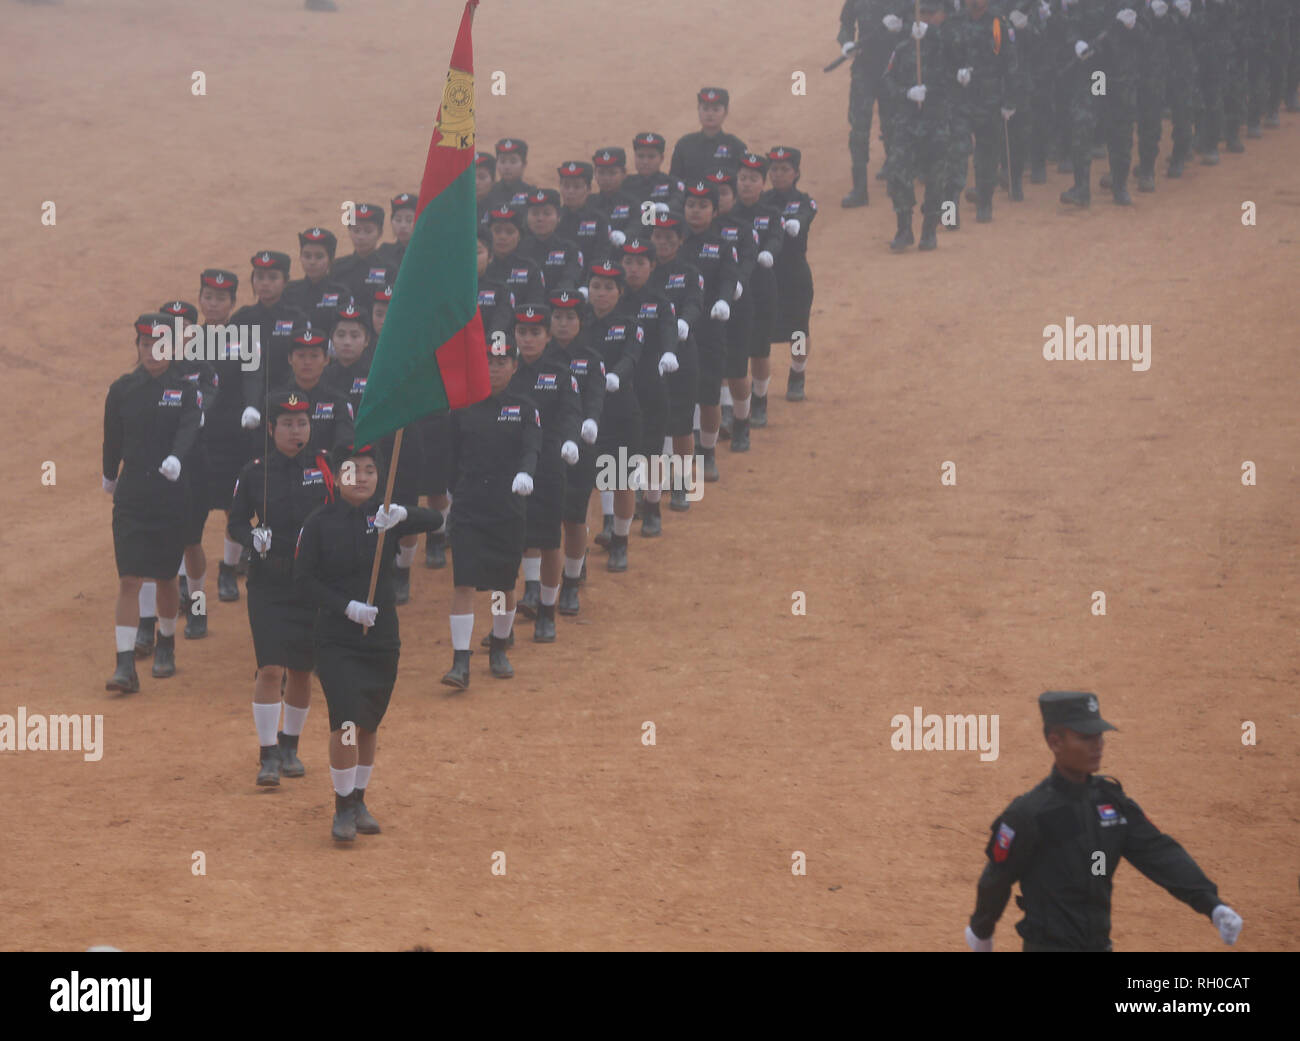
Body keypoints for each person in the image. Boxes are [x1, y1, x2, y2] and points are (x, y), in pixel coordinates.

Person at [966, 691, 1245, 951]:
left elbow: (1159, 854)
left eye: (1099, 735)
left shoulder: (1111, 803)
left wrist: (1212, 905)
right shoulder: (1028, 814)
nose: (1097, 745)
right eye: (1085, 737)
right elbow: (996, 879)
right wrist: (982, 931)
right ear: (1055, 742)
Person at [294, 442, 444, 841]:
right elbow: (303, 580)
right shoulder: (319, 522)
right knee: (345, 719)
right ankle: (342, 807)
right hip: (337, 638)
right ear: (337, 476)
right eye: (352, 470)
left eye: (368, 471)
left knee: (369, 723)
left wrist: (403, 514)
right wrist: (346, 607)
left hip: (381, 637)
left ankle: (359, 799)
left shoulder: (385, 516)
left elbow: (435, 520)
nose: (360, 478)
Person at [228, 390, 333, 786]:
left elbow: (341, 510)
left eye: (302, 423)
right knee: (271, 667)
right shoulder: (254, 471)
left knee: (303, 670)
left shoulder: (325, 467)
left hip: (311, 581)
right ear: (271, 429)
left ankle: (291, 745)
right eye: (288, 424)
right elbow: (236, 522)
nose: (296, 431)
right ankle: (268, 753)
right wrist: (254, 537)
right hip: (269, 581)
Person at [102, 313, 201, 693]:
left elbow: (191, 428)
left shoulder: (186, 390)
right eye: (145, 344)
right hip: (132, 495)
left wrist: (177, 456)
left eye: (160, 345)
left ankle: (166, 644)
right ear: (138, 346)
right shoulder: (123, 389)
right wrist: (110, 475)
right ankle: (125, 664)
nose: (152, 352)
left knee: (164, 577)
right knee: (129, 579)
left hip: (172, 494)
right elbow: (112, 437)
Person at [439, 338, 541, 688]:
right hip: (469, 507)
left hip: (508, 506)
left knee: (502, 585)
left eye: (502, 362)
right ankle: (460, 662)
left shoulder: (526, 408)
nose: (495, 368)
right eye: (489, 362)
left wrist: (525, 472)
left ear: (514, 367)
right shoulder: (462, 407)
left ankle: (499, 648)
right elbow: (450, 457)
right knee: (464, 582)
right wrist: (458, 490)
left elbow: (532, 446)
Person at [508, 304, 582, 641]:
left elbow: (570, 413)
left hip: (549, 467)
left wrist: (570, 441)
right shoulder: (504, 371)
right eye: (522, 332)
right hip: (507, 468)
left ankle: (547, 612)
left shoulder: (560, 373)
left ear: (547, 336)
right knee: (504, 549)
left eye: (535, 332)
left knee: (550, 542)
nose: (527, 338)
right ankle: (501, 624)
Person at [883, 2, 959, 247]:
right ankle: (904, 229)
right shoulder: (904, 48)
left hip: (936, 121)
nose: (924, 19)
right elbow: (887, 83)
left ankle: (930, 230)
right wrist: (907, 92)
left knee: (937, 177)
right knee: (898, 172)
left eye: (929, 14)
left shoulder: (947, 47)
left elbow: (957, 76)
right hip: (907, 122)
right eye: (921, 14)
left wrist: (932, 91)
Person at [548, 289, 605, 616]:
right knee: (544, 522)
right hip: (546, 448)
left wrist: (591, 423)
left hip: (581, 447)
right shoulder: (543, 357)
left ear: (581, 322)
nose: (564, 323)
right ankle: (538, 587)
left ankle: (570, 582)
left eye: (570, 317)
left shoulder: (591, 358)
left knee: (572, 519)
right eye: (557, 317)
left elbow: (596, 396)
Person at [196, 268, 251, 605]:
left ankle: (229, 569)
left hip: (234, 438)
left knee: (235, 507)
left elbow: (252, 384)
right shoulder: (189, 340)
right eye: (208, 297)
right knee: (195, 511)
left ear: (232, 303)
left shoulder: (244, 340)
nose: (214, 304)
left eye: (221, 298)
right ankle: (193, 586)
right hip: (199, 441)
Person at [585, 258, 645, 571]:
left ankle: (620, 541)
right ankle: (576, 555)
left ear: (619, 292)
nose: (602, 293)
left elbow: (631, 358)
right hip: (584, 415)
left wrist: (614, 377)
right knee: (582, 486)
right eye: (596, 286)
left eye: (608, 287)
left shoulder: (630, 325)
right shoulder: (577, 322)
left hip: (619, 411)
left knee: (621, 481)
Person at [681, 180, 738, 483]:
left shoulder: (723, 246)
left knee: (709, 397)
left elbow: (730, 279)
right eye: (690, 204)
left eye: (703, 205)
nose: (695, 211)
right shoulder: (672, 241)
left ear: (714, 211)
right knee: (678, 398)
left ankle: (708, 452)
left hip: (709, 330)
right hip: (677, 333)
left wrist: (724, 302)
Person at [617, 235, 674, 532]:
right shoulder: (613, 299)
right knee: (619, 450)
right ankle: (614, 517)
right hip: (619, 387)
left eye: (640, 263)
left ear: (652, 265)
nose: (633, 269)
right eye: (628, 262)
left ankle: (652, 507)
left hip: (651, 383)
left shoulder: (660, 302)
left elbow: (667, 331)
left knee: (651, 449)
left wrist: (668, 353)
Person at [648, 209, 704, 513]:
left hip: (681, 353)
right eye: (657, 236)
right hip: (647, 356)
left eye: (669, 238)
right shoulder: (642, 269)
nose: (663, 243)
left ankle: (681, 483)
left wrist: (684, 322)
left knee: (681, 422)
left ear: (680, 241)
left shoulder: (689, 272)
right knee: (650, 424)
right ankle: (649, 489)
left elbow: (695, 301)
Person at [838, 0, 909, 206]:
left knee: (893, 125)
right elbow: (845, 24)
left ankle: (895, 178)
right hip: (864, 69)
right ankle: (859, 189)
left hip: (893, 68)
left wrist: (903, 27)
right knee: (859, 128)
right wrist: (847, 43)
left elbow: (921, 25)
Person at [732, 152, 784, 432]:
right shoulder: (729, 213)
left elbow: (777, 237)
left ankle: (761, 399)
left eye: (753, 179)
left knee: (759, 351)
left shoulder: (771, 214)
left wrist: (768, 253)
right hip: (735, 292)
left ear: (763, 183)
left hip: (762, 288)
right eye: (742, 179)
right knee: (733, 350)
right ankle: (734, 406)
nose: (747, 184)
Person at [761, 147, 818, 402]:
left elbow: (806, 215)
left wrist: (796, 222)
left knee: (798, 330)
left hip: (794, 275)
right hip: (766, 274)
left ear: (796, 173)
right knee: (761, 330)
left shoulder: (804, 200)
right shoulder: (761, 201)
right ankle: (760, 386)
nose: (778, 174)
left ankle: (797, 374)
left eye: (784, 169)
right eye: (773, 169)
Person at [281, 322, 354, 464]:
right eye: (301, 355)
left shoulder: (338, 401)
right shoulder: (276, 401)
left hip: (325, 474)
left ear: (326, 359)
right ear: (290, 359)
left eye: (314, 356)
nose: (307, 362)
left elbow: (344, 444)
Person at [669, 87, 749, 183]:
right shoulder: (684, 144)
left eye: (716, 110)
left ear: (726, 112)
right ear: (698, 109)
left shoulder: (736, 146)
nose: (710, 114)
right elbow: (674, 181)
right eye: (705, 109)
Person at [517, 188, 585, 292]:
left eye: (547, 213)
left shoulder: (570, 250)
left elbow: (568, 282)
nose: (540, 219)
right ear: (527, 217)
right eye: (535, 213)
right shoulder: (519, 249)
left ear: (559, 217)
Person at [283, 227, 349, 330]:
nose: (312, 262)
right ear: (300, 257)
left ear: (331, 260)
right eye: (307, 256)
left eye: (319, 256)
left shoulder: (341, 293)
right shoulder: (288, 291)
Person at [556, 160, 611, 259]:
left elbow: (602, 255)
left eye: (577, 187)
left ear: (589, 189)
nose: (570, 191)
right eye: (566, 186)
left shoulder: (599, 220)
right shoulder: (554, 218)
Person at [483, 138, 536, 211]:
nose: (507, 167)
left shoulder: (532, 194)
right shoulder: (488, 192)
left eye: (513, 161)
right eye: (502, 161)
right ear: (497, 164)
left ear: (524, 165)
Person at [380, 192, 417, 272]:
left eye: (409, 220)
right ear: (391, 221)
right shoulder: (384, 252)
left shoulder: (429, 252)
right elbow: (375, 282)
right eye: (398, 220)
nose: (403, 225)